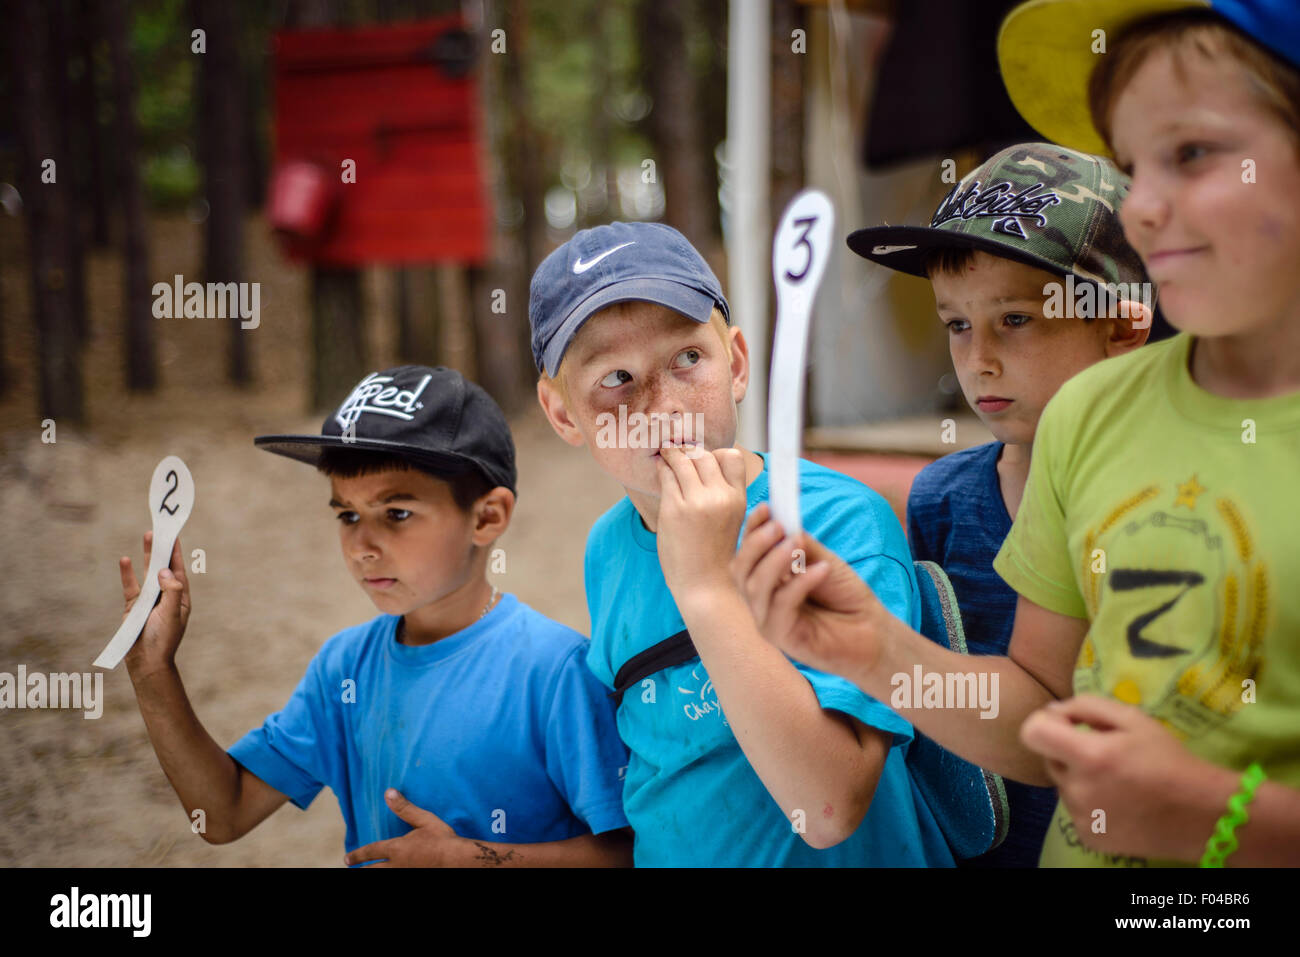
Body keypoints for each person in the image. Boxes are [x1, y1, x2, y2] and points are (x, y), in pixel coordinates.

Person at [735, 0, 1300, 867]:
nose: (1144, 208)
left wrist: (1215, 813)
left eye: (1190, 153)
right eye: (1131, 163)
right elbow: (1039, 707)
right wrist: (877, 650)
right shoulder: (1089, 418)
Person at [530, 221, 953, 866]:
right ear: (564, 415)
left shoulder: (835, 522)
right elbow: (654, 761)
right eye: (616, 378)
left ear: (737, 364)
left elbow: (830, 807)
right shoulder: (607, 548)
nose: (663, 406)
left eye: (687, 360)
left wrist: (705, 583)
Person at [117, 365, 632, 866]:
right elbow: (223, 814)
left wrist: (477, 859)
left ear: (487, 517)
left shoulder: (556, 673)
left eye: (397, 513)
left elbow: (633, 853)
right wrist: (154, 672)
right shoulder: (344, 669)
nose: (362, 545)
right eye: (347, 514)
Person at [847, 141, 1153, 865]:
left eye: (1014, 319)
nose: (977, 357)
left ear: (1120, 328)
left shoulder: (1174, 498)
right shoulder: (940, 498)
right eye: (957, 324)